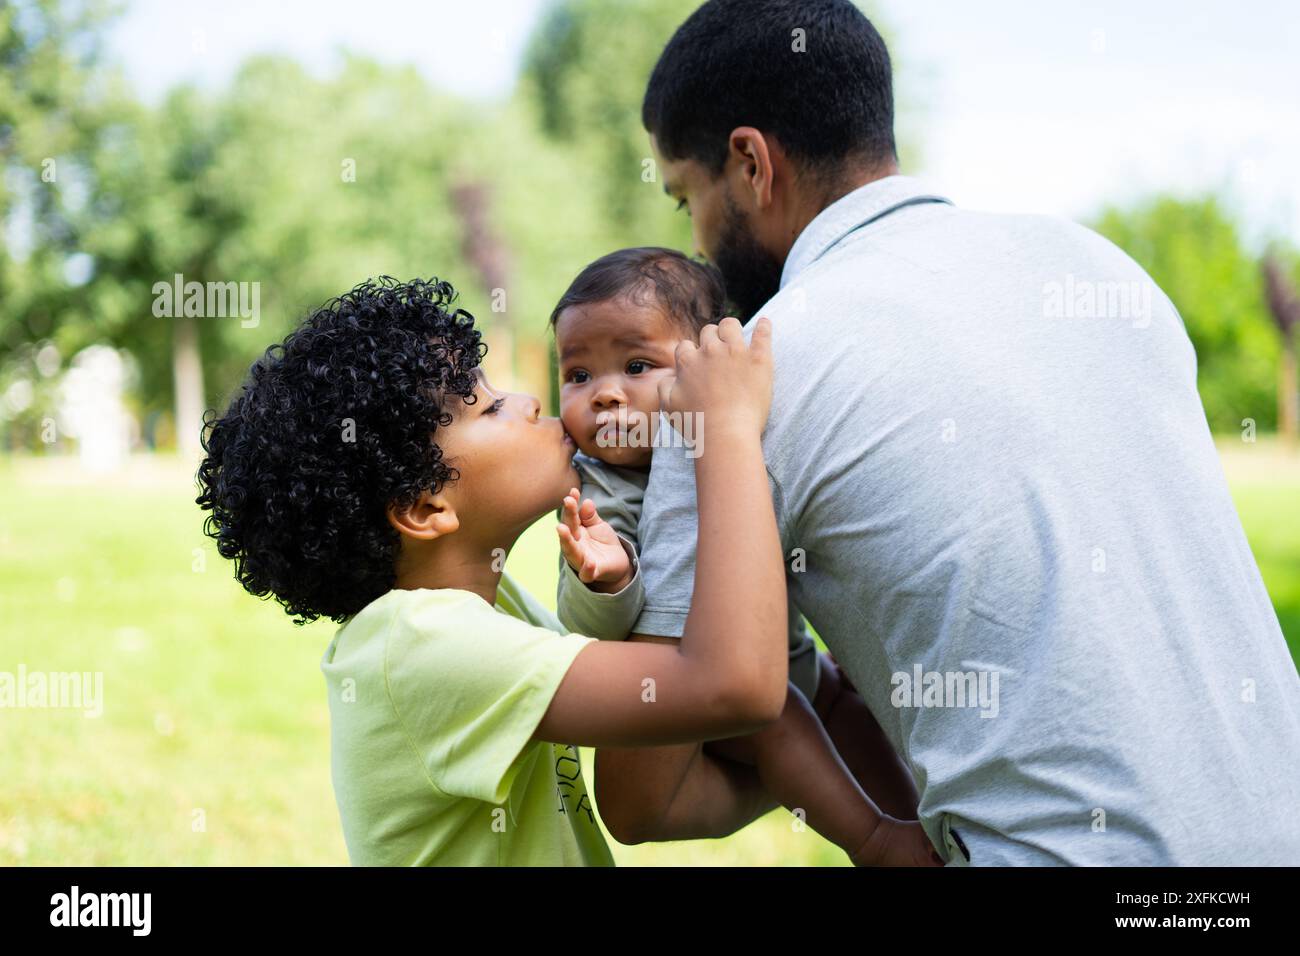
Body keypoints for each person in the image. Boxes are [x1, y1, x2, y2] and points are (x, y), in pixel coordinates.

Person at [599, 0, 1300, 864]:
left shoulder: (740, 382)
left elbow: (645, 795)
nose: (699, 245)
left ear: (750, 164)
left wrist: (834, 781)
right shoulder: (1103, 273)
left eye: (685, 201)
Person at [196, 274, 792, 866]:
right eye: (490, 407)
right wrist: (724, 430)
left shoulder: (483, 607)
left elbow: (645, 797)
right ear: (427, 508)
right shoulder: (425, 643)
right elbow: (731, 686)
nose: (532, 401)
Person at [550, 246, 939, 865]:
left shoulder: (750, 422)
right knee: (782, 721)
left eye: (635, 364)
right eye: (578, 376)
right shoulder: (597, 489)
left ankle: (922, 825)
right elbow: (582, 624)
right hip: (717, 707)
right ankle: (874, 839)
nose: (605, 395)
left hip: (801, 663)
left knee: (846, 703)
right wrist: (610, 577)